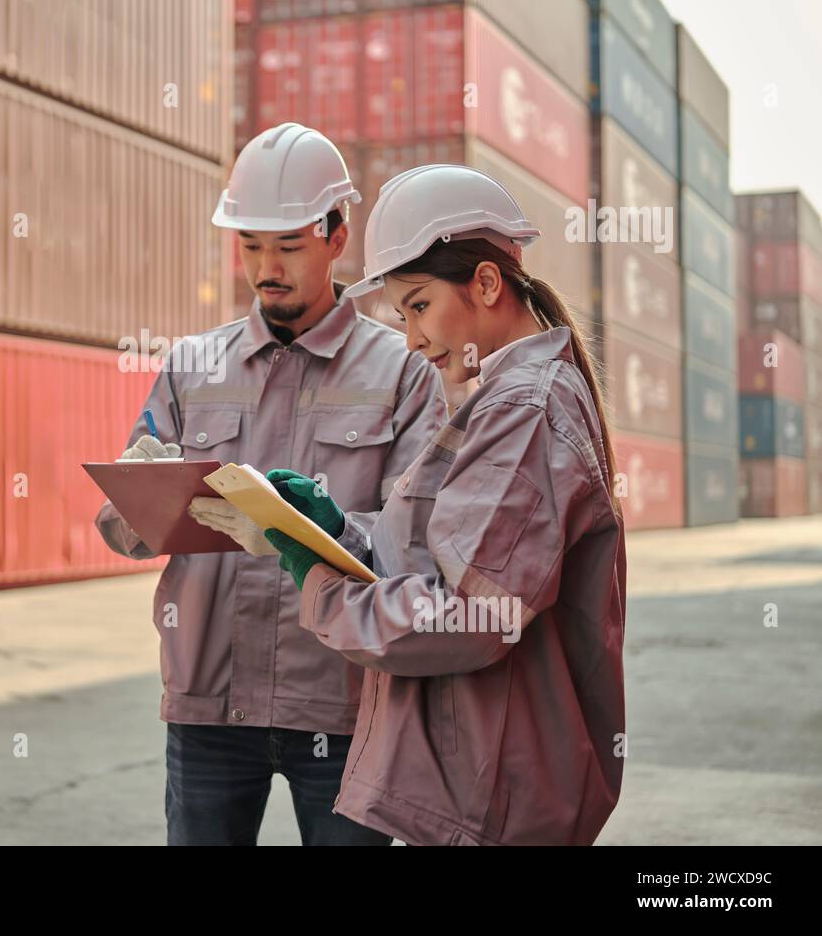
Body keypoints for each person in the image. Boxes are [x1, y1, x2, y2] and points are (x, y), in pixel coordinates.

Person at [95, 124, 448, 845]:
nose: (266, 266)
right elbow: (122, 530)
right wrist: (143, 494)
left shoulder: (403, 373)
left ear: (336, 233)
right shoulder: (192, 365)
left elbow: (414, 547)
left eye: (288, 245)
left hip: (344, 707)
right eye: (251, 244)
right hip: (208, 707)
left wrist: (311, 530)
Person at [263, 163, 627, 845]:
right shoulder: (506, 397)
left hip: (501, 800)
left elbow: (472, 617)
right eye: (401, 316)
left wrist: (322, 588)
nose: (411, 339)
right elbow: (453, 559)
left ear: (486, 283)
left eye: (420, 306)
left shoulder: (526, 407)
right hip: (490, 790)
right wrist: (341, 533)